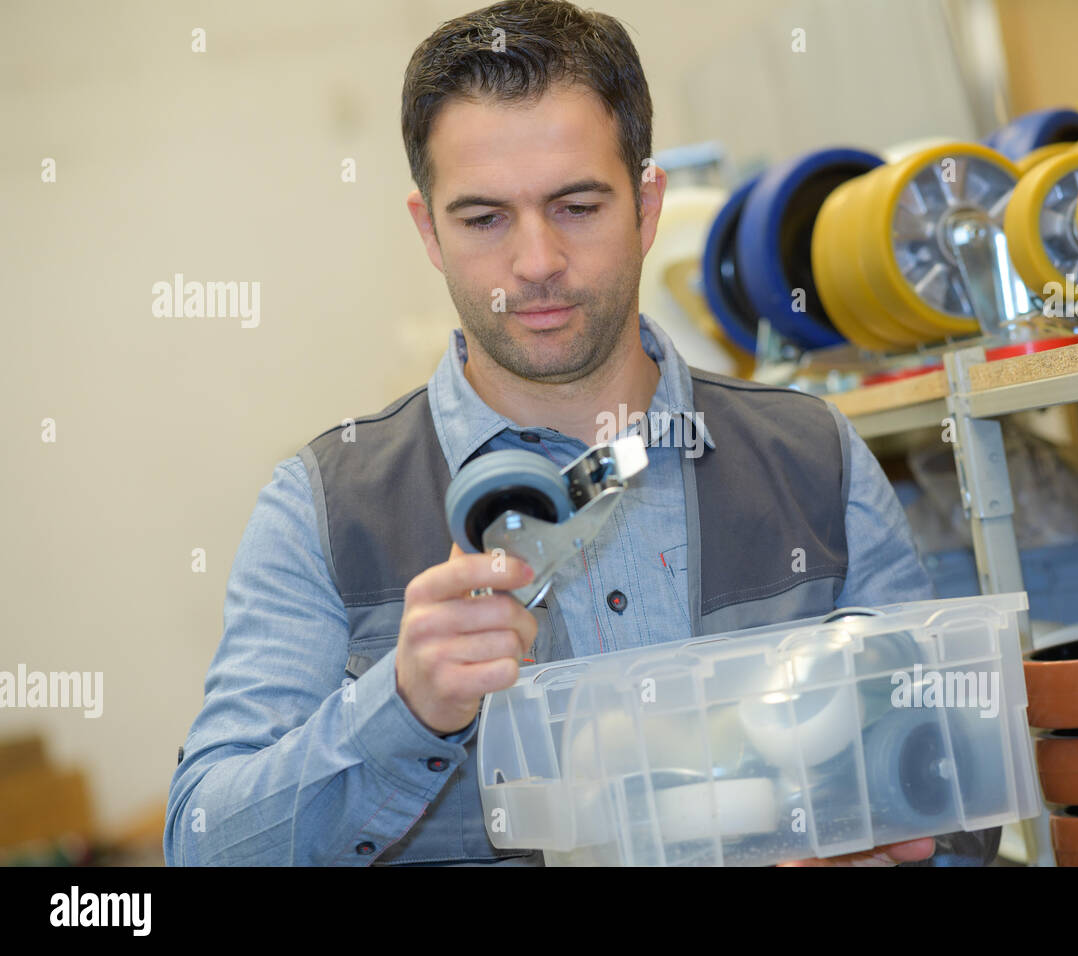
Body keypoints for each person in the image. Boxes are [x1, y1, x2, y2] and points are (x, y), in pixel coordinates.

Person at [164, 0, 936, 867]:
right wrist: (401, 708)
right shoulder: (324, 511)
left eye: (575, 205)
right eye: (484, 218)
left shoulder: (814, 461)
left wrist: (892, 834)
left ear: (648, 208)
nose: (535, 263)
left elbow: (952, 780)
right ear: (429, 231)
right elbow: (204, 845)